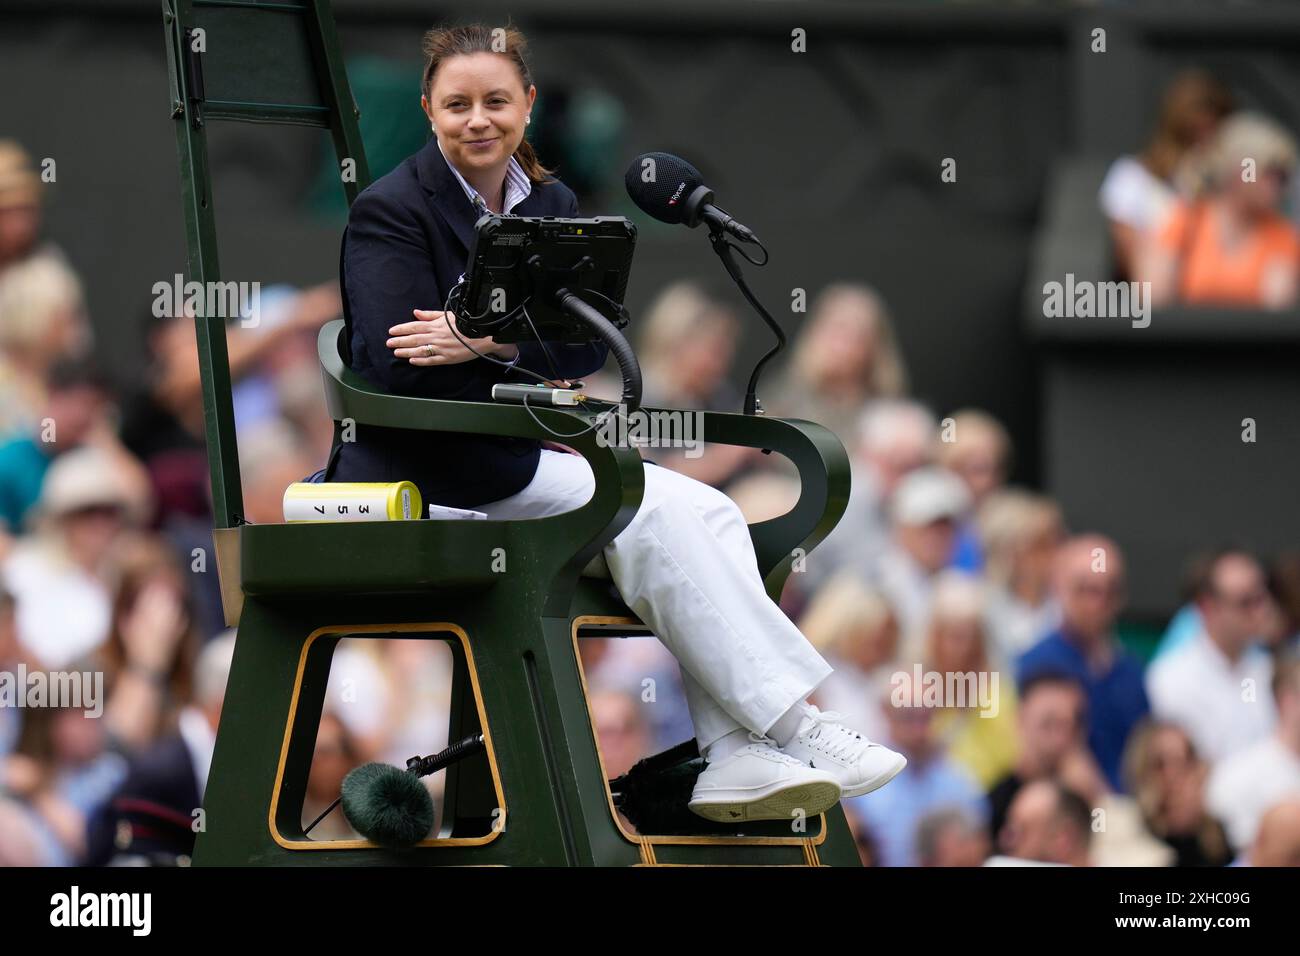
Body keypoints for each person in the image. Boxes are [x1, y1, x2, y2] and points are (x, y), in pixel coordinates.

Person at [326, 23, 905, 822]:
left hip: (523, 454)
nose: (477, 120)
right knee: (653, 505)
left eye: (496, 100)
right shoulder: (390, 210)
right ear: (428, 110)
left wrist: (479, 337)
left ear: (528, 104)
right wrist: (515, 342)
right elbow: (394, 364)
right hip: (432, 469)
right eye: (456, 104)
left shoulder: (556, 203)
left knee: (712, 507)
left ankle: (734, 757)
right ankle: (795, 723)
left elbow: (579, 341)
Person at [1016, 534, 1149, 791]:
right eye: (1085, 589)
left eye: (1109, 591)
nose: (1097, 603)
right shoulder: (1034, 665)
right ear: (1058, 587)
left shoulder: (1131, 672)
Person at [1146, 549, 1277, 765]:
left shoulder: (1267, 669)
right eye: (1246, 602)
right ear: (1208, 608)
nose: (1260, 610)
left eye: (1262, 597)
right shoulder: (1170, 679)